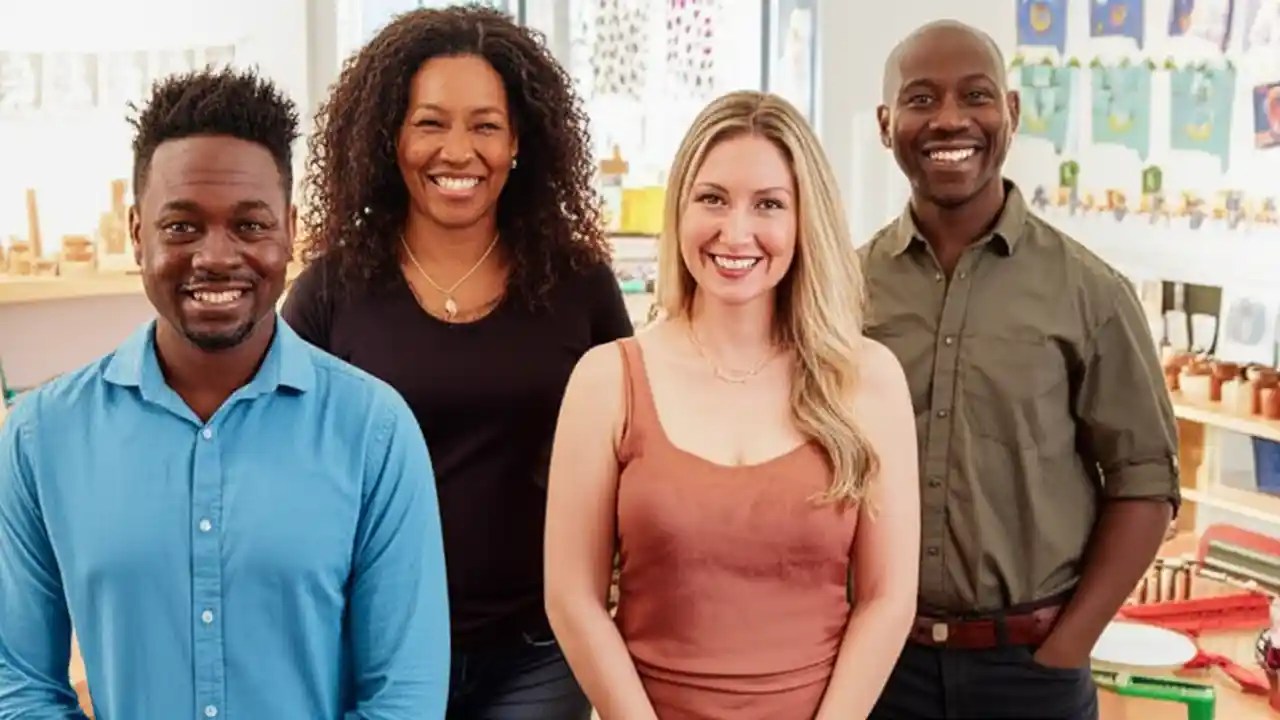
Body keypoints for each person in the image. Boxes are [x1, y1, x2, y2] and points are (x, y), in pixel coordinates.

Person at [0, 68, 450, 719]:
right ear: (136, 233)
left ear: (290, 230)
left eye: (249, 225)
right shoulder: (42, 438)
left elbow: (403, 695)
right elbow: (17, 681)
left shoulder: (373, 432)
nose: (215, 256)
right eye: (181, 227)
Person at [281, 6, 633, 718]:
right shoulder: (332, 289)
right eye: (430, 122)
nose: (458, 150)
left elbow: (637, 440)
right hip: (376, 646)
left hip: (541, 646)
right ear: (391, 139)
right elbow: (281, 460)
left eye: (485, 125)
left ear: (518, 144)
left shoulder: (579, 284)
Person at [544, 90, 921, 720]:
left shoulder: (867, 380)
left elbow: (888, 599)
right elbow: (571, 596)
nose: (735, 231)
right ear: (680, 209)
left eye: (768, 204)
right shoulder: (607, 380)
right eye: (712, 198)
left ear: (805, 222)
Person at [861, 20, 1180, 720]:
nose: (950, 119)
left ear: (1011, 112)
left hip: (1032, 672)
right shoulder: (841, 290)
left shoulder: (1091, 293)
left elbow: (1146, 484)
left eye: (975, 95)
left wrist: (1067, 647)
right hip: (875, 666)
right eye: (921, 100)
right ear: (887, 124)